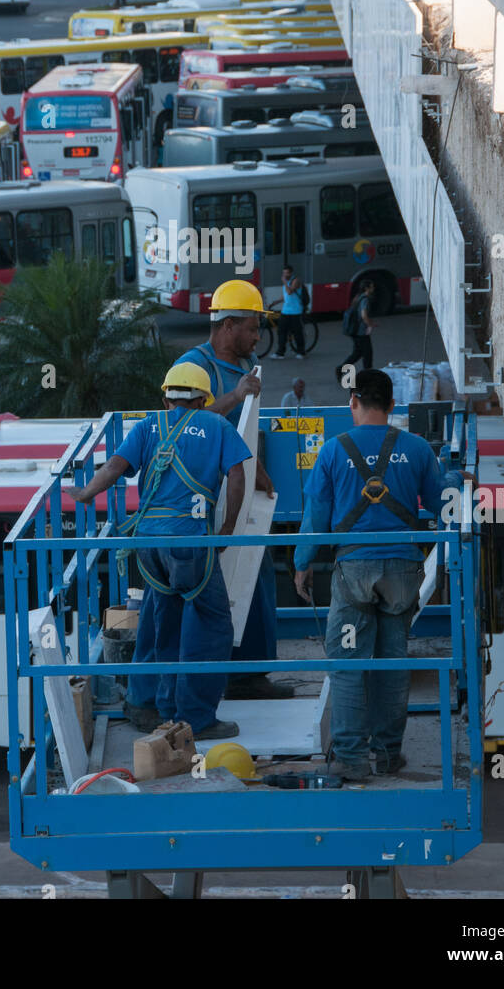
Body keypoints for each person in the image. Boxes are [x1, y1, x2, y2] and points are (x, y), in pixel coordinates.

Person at [293, 369, 464, 780]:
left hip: (354, 574)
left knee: (349, 664)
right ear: (391, 406)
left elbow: (316, 516)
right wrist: (458, 476)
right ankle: (388, 755)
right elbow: (445, 502)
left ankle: (351, 759)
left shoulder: (333, 451)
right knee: (392, 663)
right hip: (403, 575)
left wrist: (301, 563)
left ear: (353, 403)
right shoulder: (418, 448)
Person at [68, 363, 251, 740]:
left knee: (162, 619)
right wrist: (228, 528)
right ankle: (196, 719)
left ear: (166, 396)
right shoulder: (218, 427)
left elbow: (116, 466)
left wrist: (85, 494)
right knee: (211, 624)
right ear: (203, 399)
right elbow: (237, 475)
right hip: (188, 540)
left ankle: (159, 706)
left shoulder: (148, 427)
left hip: (147, 542)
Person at [172, 279, 294, 703]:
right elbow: (187, 421)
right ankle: (210, 677)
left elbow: (243, 430)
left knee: (256, 574)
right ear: (227, 326)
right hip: (202, 496)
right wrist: (234, 395)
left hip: (241, 491)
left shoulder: (249, 363)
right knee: (211, 584)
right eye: (252, 327)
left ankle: (251, 674)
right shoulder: (192, 366)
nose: (258, 336)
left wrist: (256, 468)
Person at [340, 280, 376, 374]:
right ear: (366, 288)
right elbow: (364, 315)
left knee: (357, 353)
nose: (373, 288)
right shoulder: (365, 299)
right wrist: (370, 325)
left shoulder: (358, 297)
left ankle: (340, 369)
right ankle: (368, 374)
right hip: (361, 332)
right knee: (367, 354)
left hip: (355, 331)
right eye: (371, 287)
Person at [271, 264, 305, 359]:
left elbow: (290, 292)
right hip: (285, 311)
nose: (285, 275)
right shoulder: (286, 282)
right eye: (284, 273)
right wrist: (275, 302)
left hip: (295, 311)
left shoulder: (296, 281)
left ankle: (301, 352)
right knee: (281, 332)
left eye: (287, 273)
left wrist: (285, 282)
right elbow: (285, 296)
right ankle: (280, 352)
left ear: (291, 273)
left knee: (297, 332)